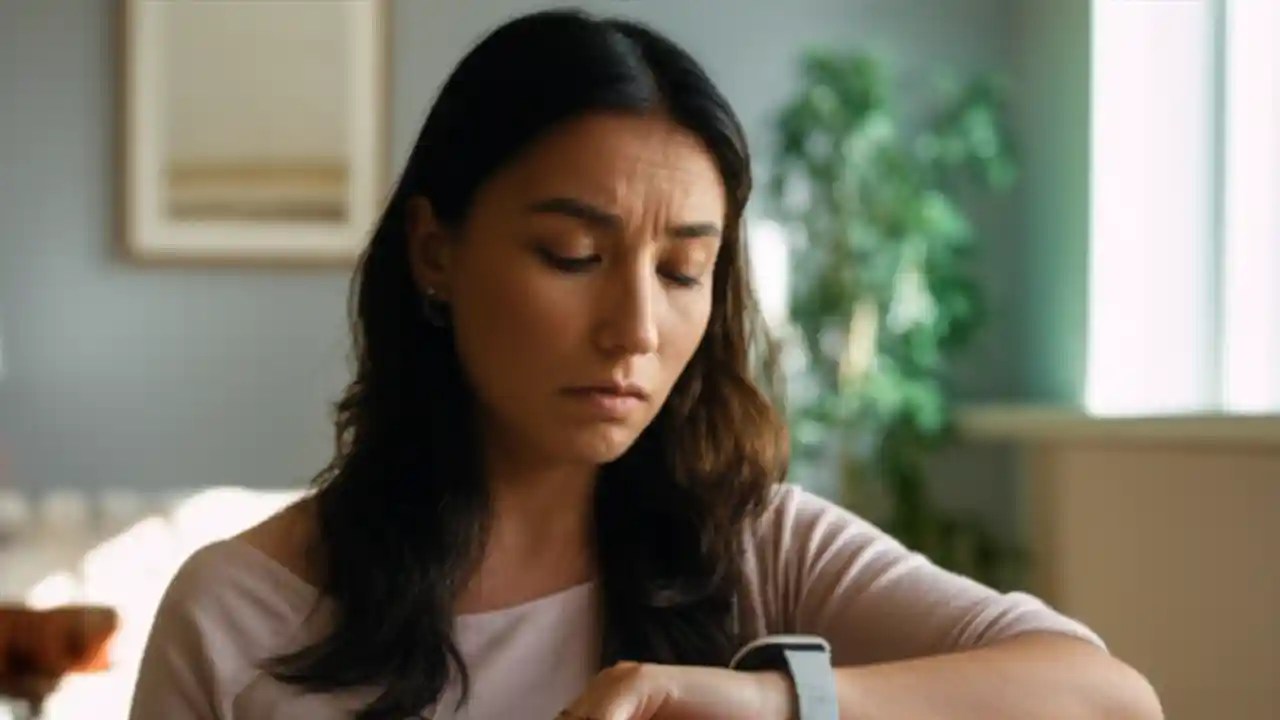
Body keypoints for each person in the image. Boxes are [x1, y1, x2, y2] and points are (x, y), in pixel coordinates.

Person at [129, 9, 1161, 720]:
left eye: (681, 270)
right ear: (434, 250)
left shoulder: (757, 548)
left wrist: (771, 700)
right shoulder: (234, 616)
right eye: (571, 256)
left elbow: (1107, 699)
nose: (633, 327)